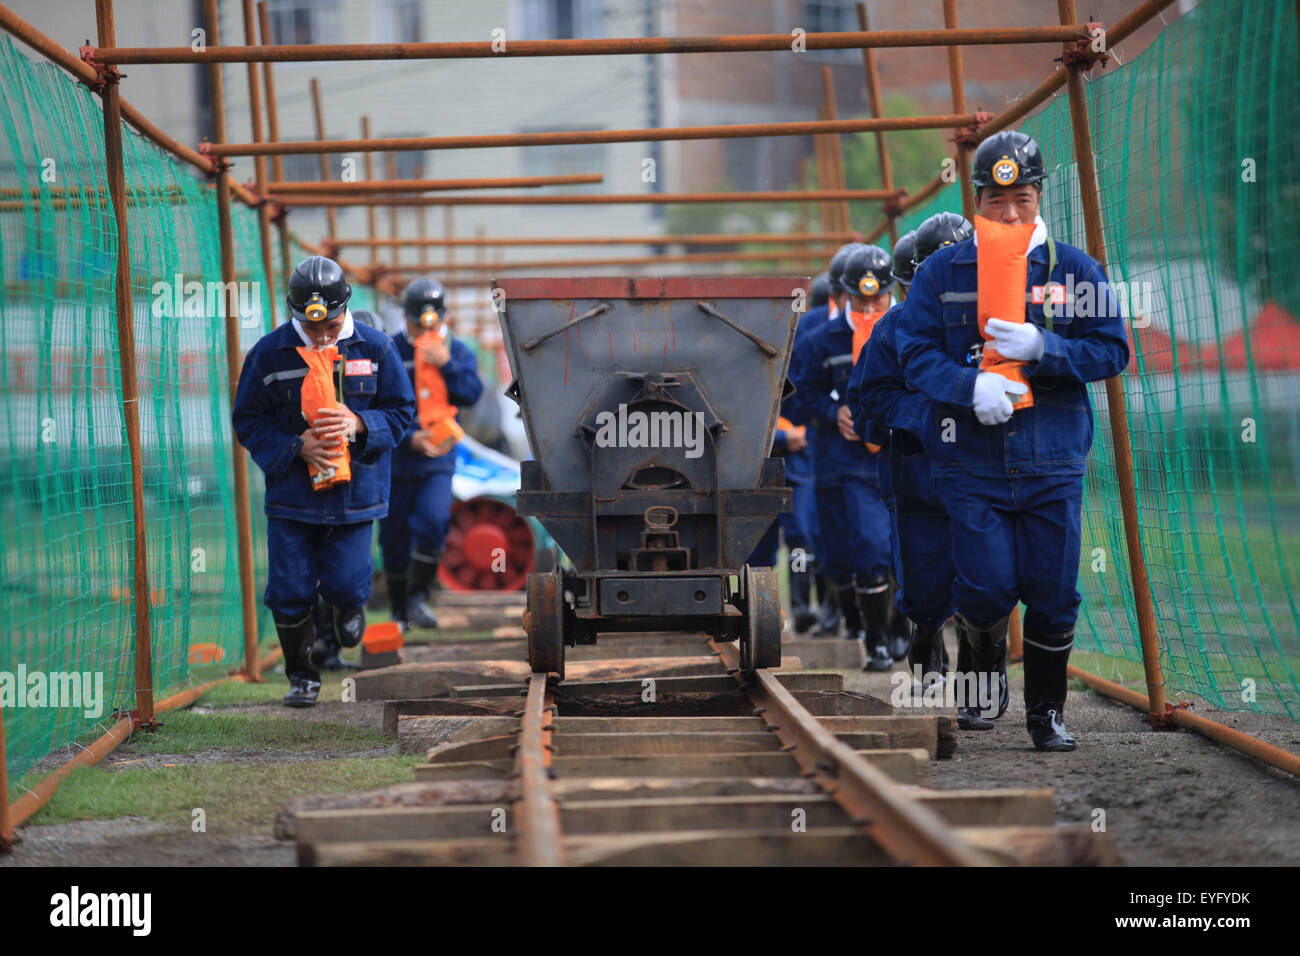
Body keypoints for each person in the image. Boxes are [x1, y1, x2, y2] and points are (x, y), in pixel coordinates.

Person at [893, 130, 1130, 751]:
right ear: (976, 199)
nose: (1010, 214)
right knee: (983, 587)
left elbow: (1112, 347)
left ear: (1039, 195)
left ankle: (1046, 714)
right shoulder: (943, 271)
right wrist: (967, 386)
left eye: (1022, 200)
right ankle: (982, 672)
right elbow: (913, 353)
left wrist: (1045, 348)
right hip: (970, 463)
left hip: (1052, 459)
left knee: (1053, 595)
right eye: (996, 203)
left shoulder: (1074, 270)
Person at [232, 256, 415, 707]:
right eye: (312, 328)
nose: (322, 336)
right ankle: (302, 677)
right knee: (289, 589)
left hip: (355, 496)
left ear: (345, 308)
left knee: (348, 584)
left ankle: (349, 608)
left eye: (330, 326)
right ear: (296, 314)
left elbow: (402, 412)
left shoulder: (376, 348)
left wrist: (359, 422)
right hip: (293, 499)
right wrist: (296, 447)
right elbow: (248, 420)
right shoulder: (268, 354)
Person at [848, 216, 973, 702]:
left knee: (982, 580)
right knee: (923, 588)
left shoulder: (995, 317)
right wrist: (925, 414)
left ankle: (978, 681)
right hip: (916, 478)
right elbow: (869, 403)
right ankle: (924, 635)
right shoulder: (893, 330)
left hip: (978, 477)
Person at [791, 243, 897, 669]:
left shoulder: (907, 329)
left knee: (906, 548)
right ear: (844, 296)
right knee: (859, 548)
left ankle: (906, 630)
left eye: (880, 297)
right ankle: (873, 637)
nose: (871, 306)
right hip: (846, 460)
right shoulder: (820, 340)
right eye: (861, 298)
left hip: (901, 453)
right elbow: (802, 394)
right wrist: (835, 412)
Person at [378, 278, 484, 629]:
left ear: (443, 318)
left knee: (435, 519)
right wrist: (409, 438)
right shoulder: (388, 349)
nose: (425, 328)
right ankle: (398, 611)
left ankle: (419, 598)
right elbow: (375, 402)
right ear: (405, 318)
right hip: (396, 456)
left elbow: (470, 394)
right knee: (393, 535)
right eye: (416, 321)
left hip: (439, 455)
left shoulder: (458, 350)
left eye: (433, 321)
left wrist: (446, 364)